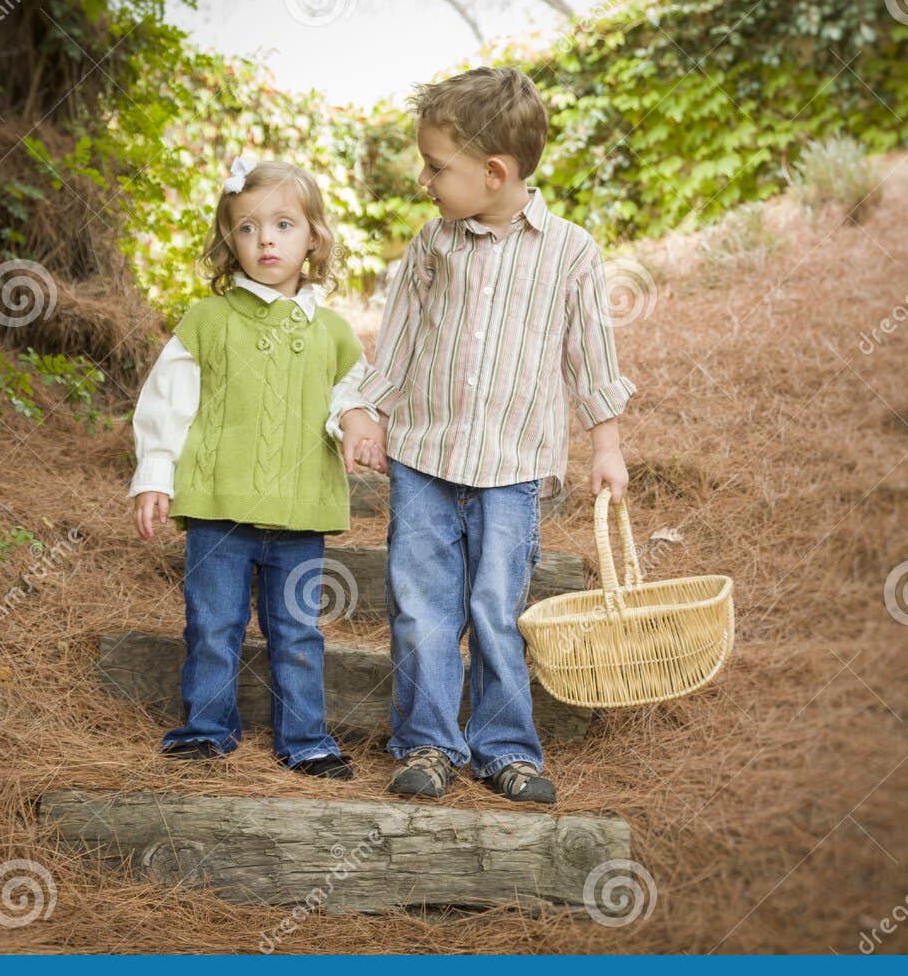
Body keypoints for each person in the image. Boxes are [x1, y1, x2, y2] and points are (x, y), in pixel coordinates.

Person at [338, 67, 636, 804]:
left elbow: (591, 356)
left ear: (495, 172)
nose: (424, 180)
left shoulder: (570, 252)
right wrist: (368, 409)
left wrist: (606, 444)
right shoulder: (432, 245)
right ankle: (430, 742)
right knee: (421, 604)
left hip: (510, 468)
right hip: (426, 458)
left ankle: (506, 748)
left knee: (497, 608)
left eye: (437, 167)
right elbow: (400, 339)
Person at [130, 156, 388, 780]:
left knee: (297, 631)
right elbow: (168, 401)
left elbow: (348, 395)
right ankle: (207, 727)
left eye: (282, 224)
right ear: (230, 242)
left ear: (313, 238)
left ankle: (306, 738)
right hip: (219, 508)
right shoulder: (208, 321)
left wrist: (355, 421)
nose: (265, 239)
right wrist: (156, 473)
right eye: (246, 228)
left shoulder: (331, 332)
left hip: (299, 512)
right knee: (213, 622)